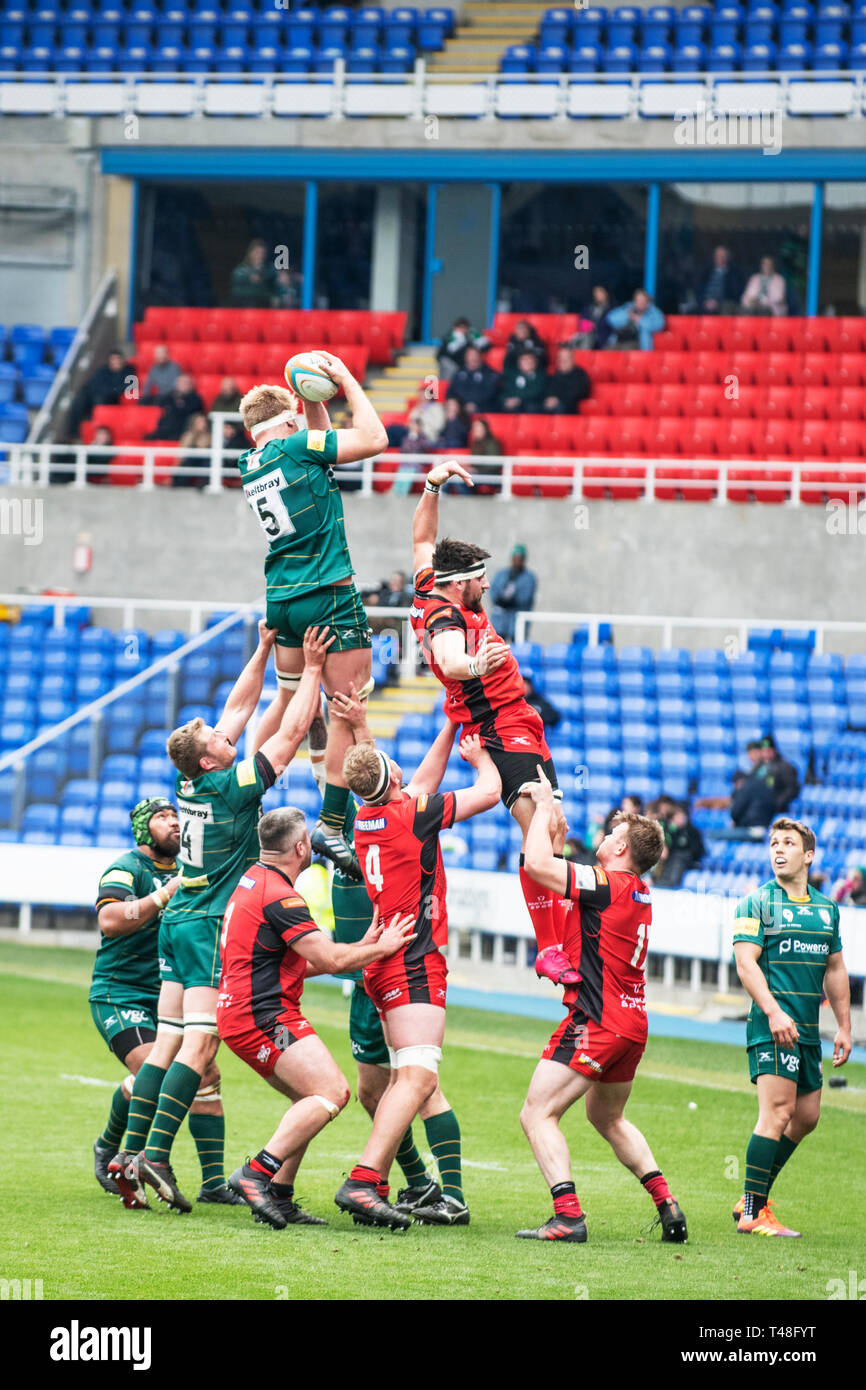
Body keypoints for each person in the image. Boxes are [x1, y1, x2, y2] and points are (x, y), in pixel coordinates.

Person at [112, 624, 333, 1212]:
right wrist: (310, 668)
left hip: (177, 916)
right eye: (214, 733)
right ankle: (156, 1153)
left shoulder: (189, 779)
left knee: (166, 1043)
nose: (224, 727)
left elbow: (239, 704)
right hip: (210, 919)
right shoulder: (233, 787)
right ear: (211, 753)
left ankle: (129, 1153)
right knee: (202, 1046)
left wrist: (262, 648)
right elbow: (286, 734)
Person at [409, 460, 574, 987]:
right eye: (480, 578)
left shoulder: (431, 585)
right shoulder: (446, 616)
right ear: (460, 587)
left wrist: (433, 484)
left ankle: (561, 943)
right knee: (541, 833)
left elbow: (421, 538)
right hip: (499, 726)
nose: (487, 583)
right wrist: (477, 665)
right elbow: (450, 657)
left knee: (556, 832)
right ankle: (551, 948)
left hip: (522, 721)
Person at [333, 714, 501, 1229]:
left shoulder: (368, 819)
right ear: (393, 778)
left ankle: (449, 1196)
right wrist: (480, 758)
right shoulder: (412, 814)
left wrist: (450, 726)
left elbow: (410, 783)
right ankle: (366, 1179)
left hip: (384, 961)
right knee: (418, 1076)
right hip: (414, 959)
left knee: (423, 1085)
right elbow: (490, 793)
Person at [217, 807, 415, 1230]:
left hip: (246, 1011)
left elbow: (297, 963)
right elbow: (327, 957)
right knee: (331, 1092)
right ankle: (257, 1172)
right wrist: (380, 949)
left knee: (307, 1098)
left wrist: (359, 945)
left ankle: (281, 1195)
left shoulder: (254, 880)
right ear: (301, 847)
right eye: (309, 838)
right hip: (263, 1016)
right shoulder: (282, 896)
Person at [515, 769, 687, 1243]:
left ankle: (568, 1215)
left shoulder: (609, 883)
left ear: (622, 850)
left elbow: (536, 865)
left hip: (599, 1021)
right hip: (632, 1024)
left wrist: (545, 801)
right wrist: (554, 827)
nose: (604, 837)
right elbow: (558, 868)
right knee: (606, 1117)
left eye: (612, 834)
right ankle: (668, 1205)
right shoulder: (638, 891)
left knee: (536, 1113)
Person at [236, 353, 389, 880]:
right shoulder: (297, 445)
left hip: (282, 599)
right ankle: (331, 826)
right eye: (298, 417)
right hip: (328, 594)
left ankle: (245, 792)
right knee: (347, 706)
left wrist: (314, 405)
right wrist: (345, 381)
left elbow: (323, 457)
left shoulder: (250, 462)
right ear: (286, 423)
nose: (304, 422)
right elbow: (373, 440)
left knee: (286, 695)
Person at [95, 800, 242, 1208]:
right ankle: (113, 1149)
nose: (174, 822)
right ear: (143, 830)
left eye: (176, 816)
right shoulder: (127, 868)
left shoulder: (188, 871)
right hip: (118, 992)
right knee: (155, 1068)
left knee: (205, 1069)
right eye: (162, 818)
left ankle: (213, 1183)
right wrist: (163, 895)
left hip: (166, 991)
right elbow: (109, 920)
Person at [732, 818, 851, 1236]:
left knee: (806, 1116)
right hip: (772, 1025)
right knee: (777, 1113)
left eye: (788, 842)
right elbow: (745, 963)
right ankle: (752, 1212)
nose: (778, 849)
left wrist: (844, 1027)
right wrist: (772, 1010)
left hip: (806, 1030)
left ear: (809, 854)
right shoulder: (757, 903)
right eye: (773, 843)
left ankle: (753, 1193)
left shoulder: (826, 909)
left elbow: (835, 969)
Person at [67, 348, 134, 439]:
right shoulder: (103, 370)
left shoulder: (129, 370)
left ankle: (97, 424)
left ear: (122, 360)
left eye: (118, 359)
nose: (115, 362)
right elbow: (94, 384)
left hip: (113, 399)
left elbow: (127, 387)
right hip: (98, 395)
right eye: (113, 359)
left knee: (100, 398)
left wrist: (108, 391)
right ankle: (74, 434)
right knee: (79, 401)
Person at [489, 544, 537, 644]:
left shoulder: (529, 577)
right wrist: (500, 600)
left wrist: (511, 601)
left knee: (517, 649)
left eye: (520, 558)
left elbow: (526, 597)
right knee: (497, 647)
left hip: (517, 620)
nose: (517, 561)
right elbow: (493, 591)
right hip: (500, 620)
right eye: (515, 558)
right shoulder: (501, 574)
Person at [653, 803, 705, 888]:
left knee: (678, 858)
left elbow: (697, 849)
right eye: (678, 817)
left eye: (682, 816)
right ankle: (657, 880)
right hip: (673, 857)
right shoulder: (670, 830)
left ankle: (670, 883)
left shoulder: (692, 830)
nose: (682, 819)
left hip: (689, 858)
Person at [147, 373, 204, 441]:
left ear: (191, 385)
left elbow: (191, 414)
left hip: (183, 430)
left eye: (186, 383)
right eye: (180, 382)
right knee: (147, 439)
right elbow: (159, 406)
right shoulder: (169, 397)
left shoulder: (196, 399)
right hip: (165, 429)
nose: (183, 384)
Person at [448, 346, 501, 415]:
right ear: (466, 358)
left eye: (475, 355)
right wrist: (463, 405)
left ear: (480, 357)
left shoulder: (490, 374)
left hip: (483, 410)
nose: (473, 358)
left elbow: (490, 393)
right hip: (461, 409)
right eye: (470, 355)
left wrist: (475, 404)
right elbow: (451, 392)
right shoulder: (458, 374)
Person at [228, 238, 277, 309]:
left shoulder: (269, 269)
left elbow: (274, 279)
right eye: (258, 252)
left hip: (264, 306)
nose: (261, 256)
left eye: (263, 253)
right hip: (244, 305)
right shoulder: (241, 269)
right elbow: (236, 281)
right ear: (251, 253)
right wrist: (249, 278)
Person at [542, 346, 591, 414]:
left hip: (569, 406)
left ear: (573, 359)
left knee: (561, 408)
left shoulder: (580, 374)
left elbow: (579, 392)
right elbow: (548, 390)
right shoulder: (554, 374)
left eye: (566, 358)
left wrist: (558, 399)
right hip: (553, 404)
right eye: (560, 358)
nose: (563, 361)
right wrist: (549, 399)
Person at [700, 245, 744, 315]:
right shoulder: (707, 272)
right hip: (706, 302)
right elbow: (700, 289)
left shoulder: (733, 273)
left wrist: (717, 302)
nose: (719, 257)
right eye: (717, 255)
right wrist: (705, 301)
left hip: (723, 303)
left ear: (727, 257)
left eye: (722, 255)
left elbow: (735, 292)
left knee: (726, 308)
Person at [173, 412, 211, 489]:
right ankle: (179, 484)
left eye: (203, 422)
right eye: (200, 422)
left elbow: (202, 450)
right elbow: (182, 453)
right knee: (188, 461)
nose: (203, 424)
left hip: (202, 463)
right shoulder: (187, 436)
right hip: (189, 461)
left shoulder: (209, 436)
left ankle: (202, 484)